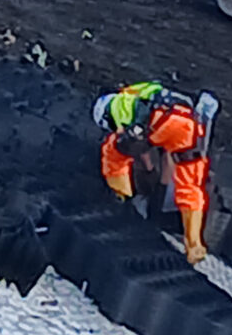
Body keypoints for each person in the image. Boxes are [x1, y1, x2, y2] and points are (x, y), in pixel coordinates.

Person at [92, 83, 220, 264]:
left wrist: (145, 163)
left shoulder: (118, 111)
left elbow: (135, 138)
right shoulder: (133, 91)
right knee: (190, 187)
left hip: (156, 125)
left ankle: (121, 197)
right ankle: (194, 246)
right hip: (186, 123)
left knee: (112, 153)